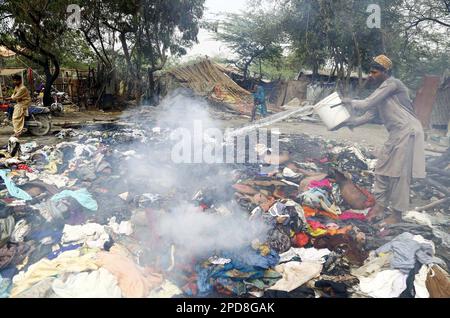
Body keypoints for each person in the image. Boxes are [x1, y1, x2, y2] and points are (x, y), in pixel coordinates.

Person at [341, 55, 426, 225]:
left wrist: (347, 101)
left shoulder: (394, 84)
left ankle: (396, 215)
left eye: (374, 72)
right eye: (370, 72)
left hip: (408, 132)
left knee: (400, 175)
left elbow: (366, 104)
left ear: (385, 72)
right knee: (381, 169)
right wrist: (348, 122)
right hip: (396, 134)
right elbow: (369, 114)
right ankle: (380, 206)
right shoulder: (380, 91)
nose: (370, 76)